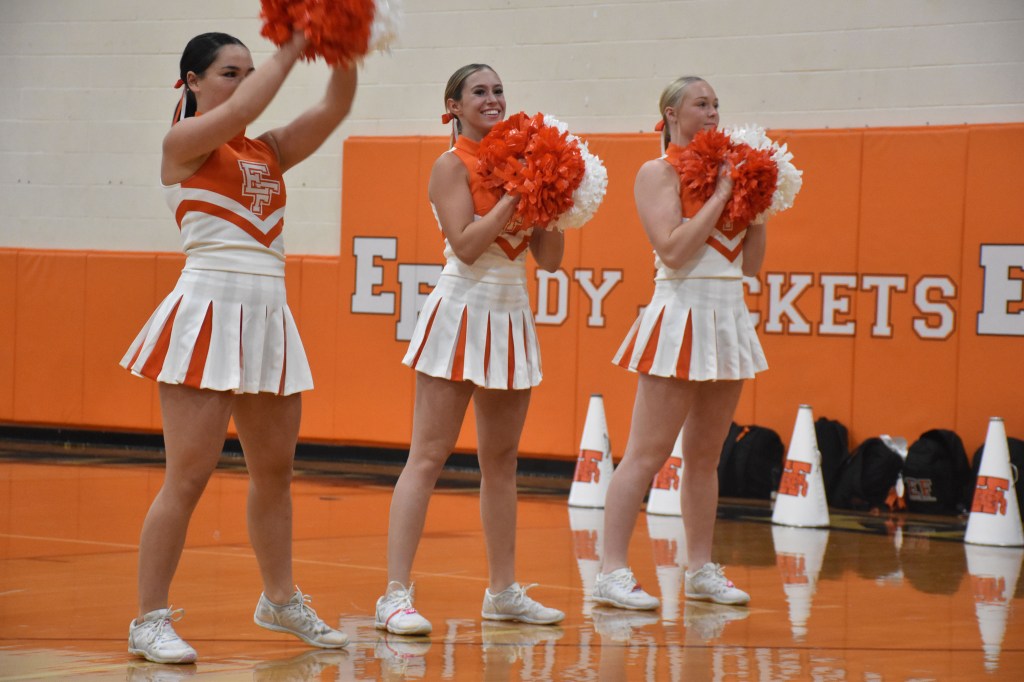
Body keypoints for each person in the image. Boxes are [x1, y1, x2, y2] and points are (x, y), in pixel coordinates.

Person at [120, 31, 357, 663]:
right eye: (230, 71)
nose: (243, 80)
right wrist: (294, 44)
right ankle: (148, 619)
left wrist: (345, 47)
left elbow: (335, 108)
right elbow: (240, 111)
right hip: (207, 311)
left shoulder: (268, 150)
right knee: (188, 477)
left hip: (269, 314)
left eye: (250, 70)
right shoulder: (184, 144)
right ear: (193, 82)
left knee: (274, 474)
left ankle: (279, 600)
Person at [374, 64, 566, 636]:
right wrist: (516, 194)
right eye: (479, 91)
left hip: (510, 313)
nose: (493, 98)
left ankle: (503, 591)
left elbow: (550, 259)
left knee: (501, 462)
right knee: (428, 456)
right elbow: (465, 242)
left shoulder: (522, 163)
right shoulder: (449, 165)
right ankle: (395, 594)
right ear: (453, 106)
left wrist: (549, 196)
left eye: (499, 90)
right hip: (460, 310)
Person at [595, 76, 768, 611]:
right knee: (646, 455)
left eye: (717, 103)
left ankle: (700, 569)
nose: (713, 111)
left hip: (727, 315)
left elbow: (753, 266)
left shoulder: (730, 173)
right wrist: (720, 196)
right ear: (671, 114)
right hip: (679, 315)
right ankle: (611, 571)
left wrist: (757, 205)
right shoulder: (657, 173)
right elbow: (671, 250)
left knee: (704, 457)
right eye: (701, 103)